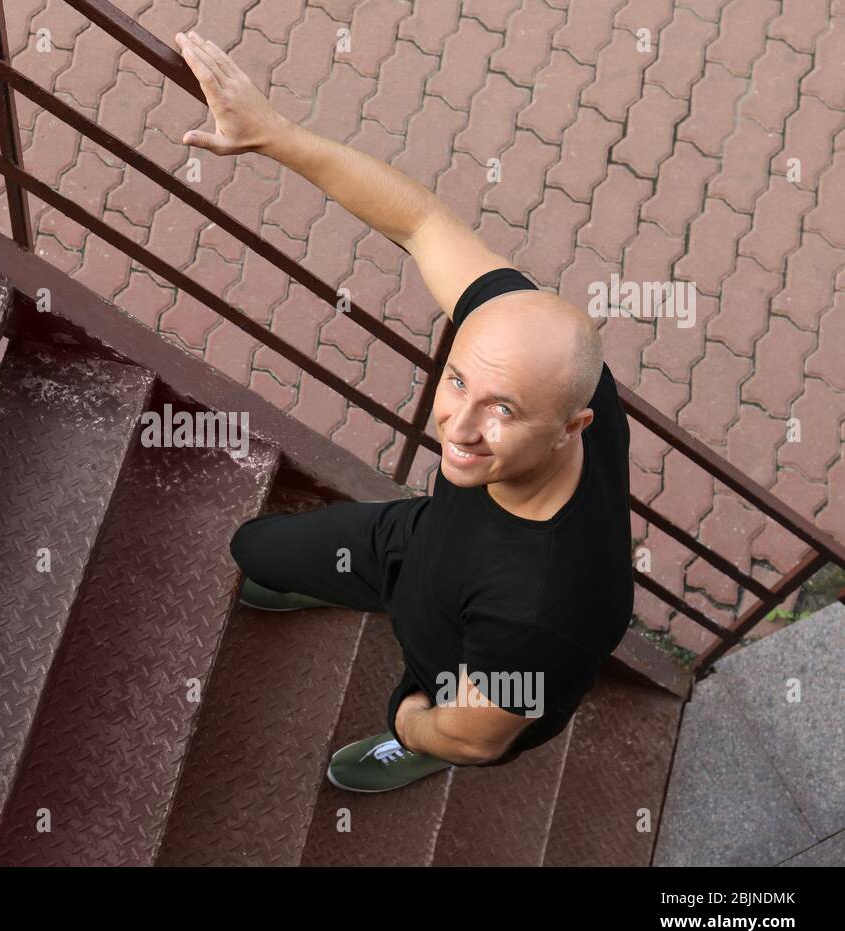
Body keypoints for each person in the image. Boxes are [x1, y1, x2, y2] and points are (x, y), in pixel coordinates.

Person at [174, 31, 634, 793]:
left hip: (456, 658)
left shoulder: (540, 620)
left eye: (502, 411)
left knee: (433, 726)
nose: (455, 429)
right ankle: (337, 586)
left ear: (570, 428)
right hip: (415, 545)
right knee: (256, 550)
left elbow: (478, 737)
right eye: (456, 384)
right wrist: (273, 135)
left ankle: (404, 749)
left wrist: (417, 720)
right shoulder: (548, 361)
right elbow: (419, 224)